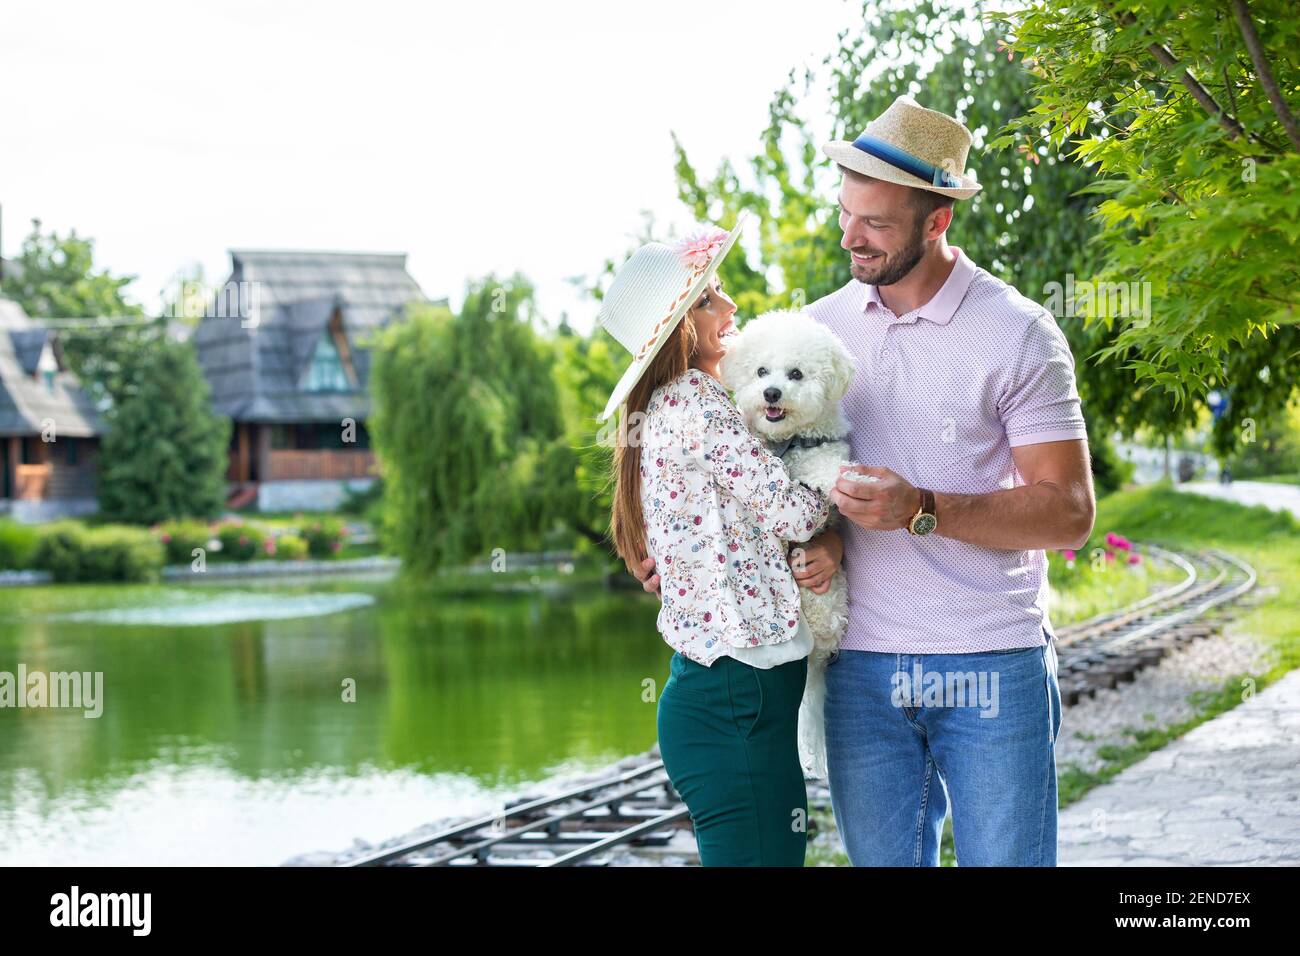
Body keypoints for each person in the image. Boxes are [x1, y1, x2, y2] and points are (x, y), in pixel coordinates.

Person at [633, 97, 1097, 866]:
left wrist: (922, 509)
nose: (851, 236)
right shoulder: (811, 332)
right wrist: (677, 552)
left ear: (937, 220)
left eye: (875, 223)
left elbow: (1068, 512)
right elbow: (721, 467)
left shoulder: (1017, 333)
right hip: (858, 675)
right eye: (846, 213)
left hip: (990, 664)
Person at [598, 212, 828, 866]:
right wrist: (831, 471)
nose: (730, 308)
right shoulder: (699, 404)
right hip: (734, 698)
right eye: (708, 300)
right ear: (679, 330)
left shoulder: (678, 403)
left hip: (731, 697)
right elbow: (793, 515)